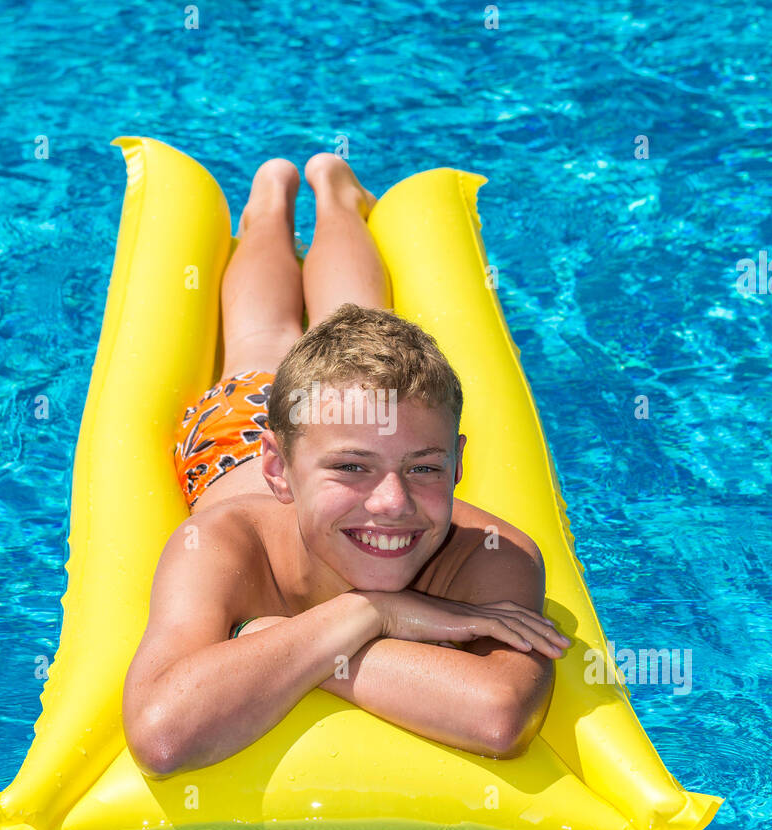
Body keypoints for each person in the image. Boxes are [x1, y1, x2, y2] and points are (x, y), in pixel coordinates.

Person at [122, 154, 571, 779]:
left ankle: (335, 194)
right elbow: (164, 736)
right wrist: (372, 613)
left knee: (358, 319)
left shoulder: (493, 554)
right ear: (278, 470)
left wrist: (272, 637)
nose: (391, 502)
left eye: (424, 469)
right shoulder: (222, 543)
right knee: (261, 335)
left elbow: (500, 717)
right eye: (353, 470)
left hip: (341, 412)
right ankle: (266, 207)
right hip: (234, 429)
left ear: (459, 462)